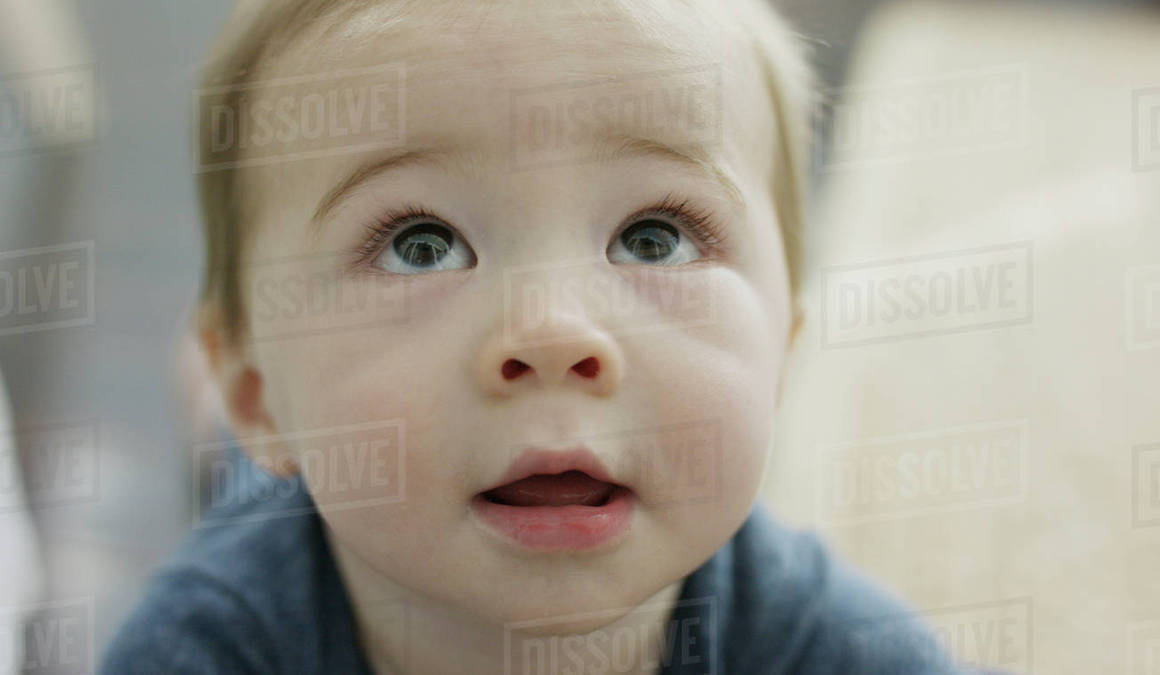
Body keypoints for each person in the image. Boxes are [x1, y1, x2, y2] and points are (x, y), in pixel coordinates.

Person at [101, 1, 980, 672]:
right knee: (251, 487)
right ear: (258, 390)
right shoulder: (203, 642)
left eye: (654, 238)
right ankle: (226, 429)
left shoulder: (824, 636)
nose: (555, 331)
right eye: (421, 245)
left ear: (781, 350)